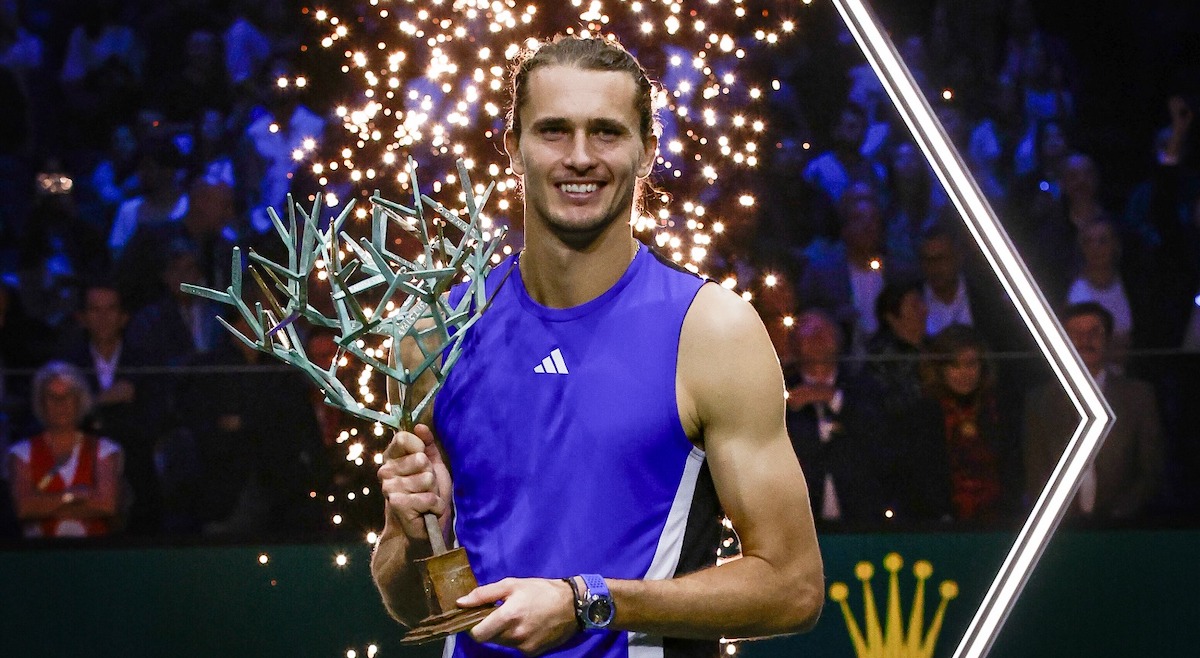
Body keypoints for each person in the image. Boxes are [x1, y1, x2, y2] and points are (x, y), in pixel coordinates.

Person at [372, 36, 823, 658]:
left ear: (646, 153)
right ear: (513, 149)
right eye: (553, 131)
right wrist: (411, 532)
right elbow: (412, 603)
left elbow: (793, 588)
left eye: (606, 133)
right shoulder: (431, 338)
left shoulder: (711, 331)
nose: (579, 157)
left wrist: (588, 602)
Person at [1023, 303, 1163, 521]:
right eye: (1076, 333)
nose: (1085, 340)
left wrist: (1118, 515)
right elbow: (1035, 472)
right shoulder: (1040, 401)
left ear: (1108, 340)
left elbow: (1150, 470)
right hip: (1059, 531)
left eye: (1094, 332)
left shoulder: (1138, 397)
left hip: (1123, 528)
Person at [6, 361, 125, 538]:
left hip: (94, 554)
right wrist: (71, 496)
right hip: (39, 555)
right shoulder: (21, 453)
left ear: (79, 401)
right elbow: (24, 509)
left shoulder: (105, 450)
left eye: (67, 395)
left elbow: (106, 506)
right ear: (41, 402)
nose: (60, 403)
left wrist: (43, 505)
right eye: (51, 396)